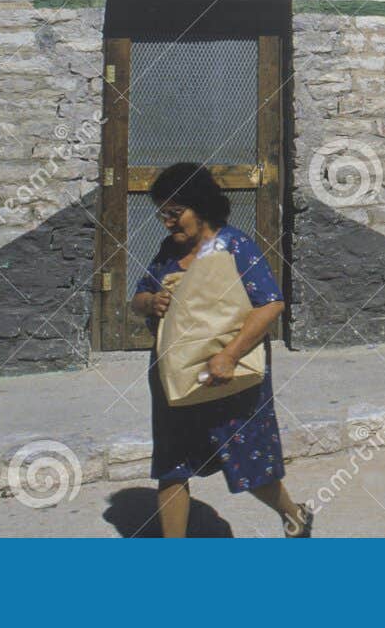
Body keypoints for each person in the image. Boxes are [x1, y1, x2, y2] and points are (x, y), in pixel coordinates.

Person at [130, 161, 313, 538]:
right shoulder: (168, 251)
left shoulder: (235, 246)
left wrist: (228, 356)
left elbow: (271, 304)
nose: (168, 222)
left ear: (200, 206)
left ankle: (293, 514)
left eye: (175, 212)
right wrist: (149, 303)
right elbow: (139, 295)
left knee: (249, 461)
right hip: (177, 374)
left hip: (230, 374)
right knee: (172, 465)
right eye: (163, 214)